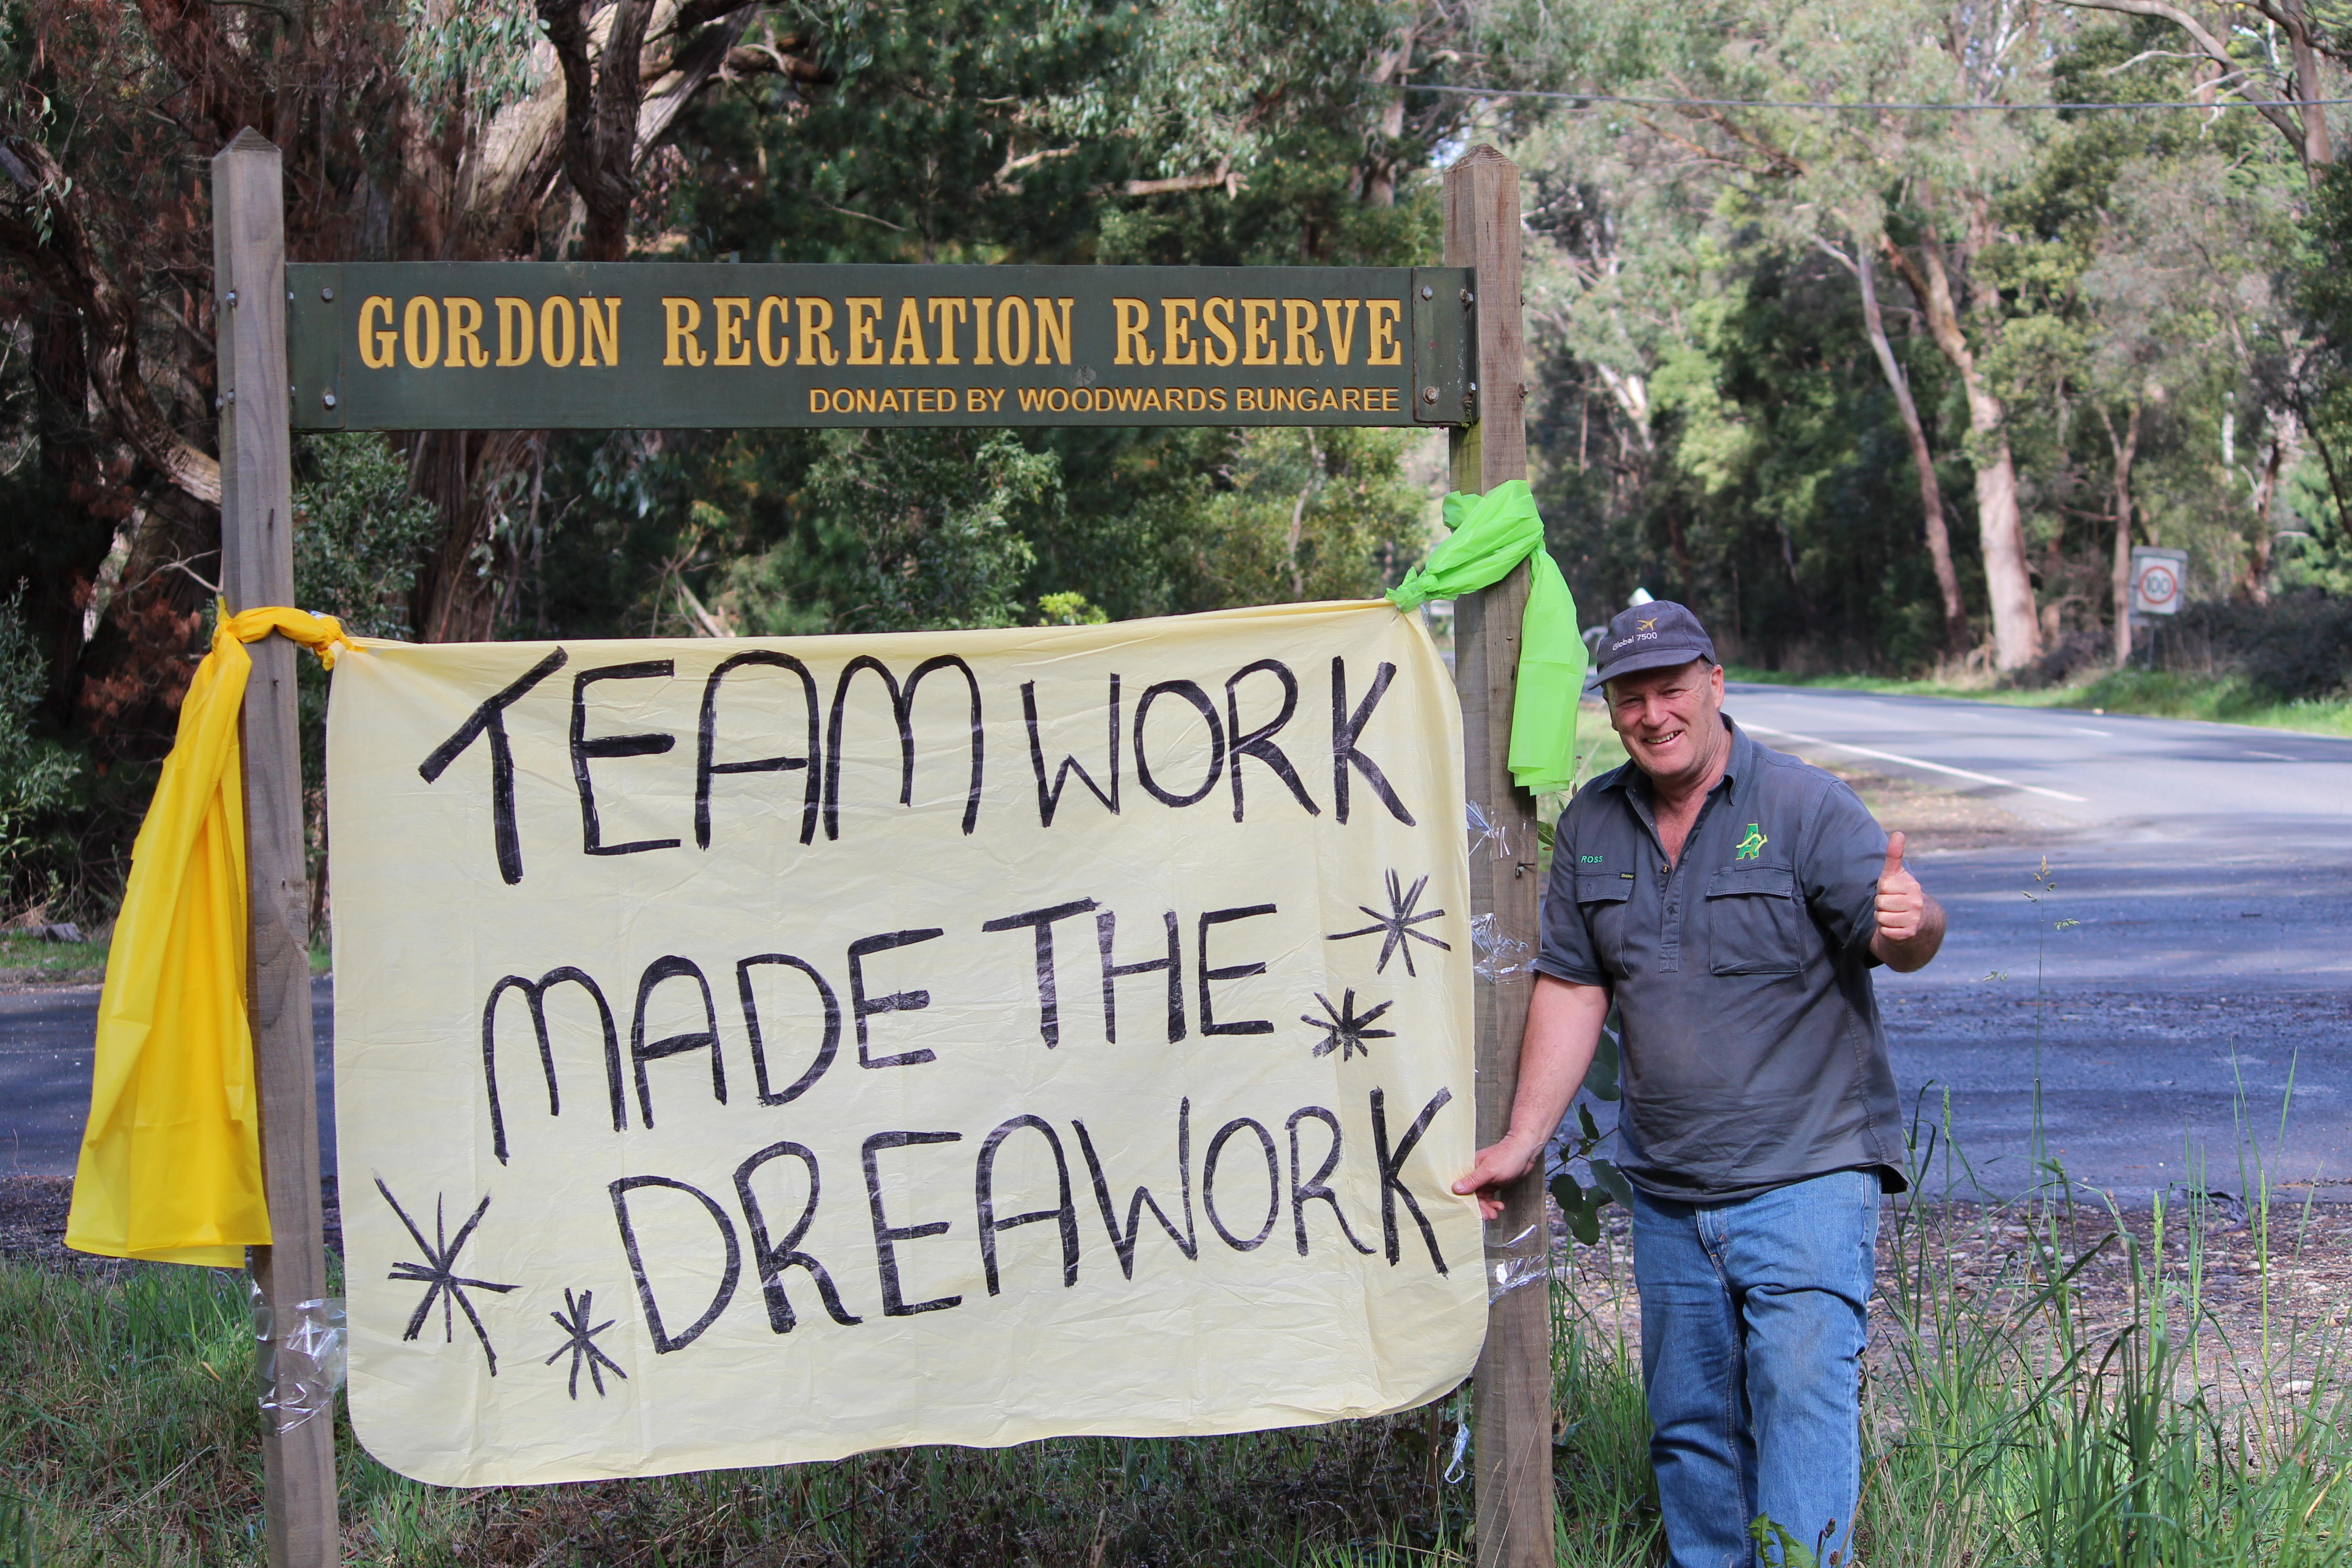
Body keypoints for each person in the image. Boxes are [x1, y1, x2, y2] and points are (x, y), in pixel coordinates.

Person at [1454, 601, 1945, 1568]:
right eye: (1629, 697)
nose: (1652, 714)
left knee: (1801, 1408)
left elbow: (1903, 937)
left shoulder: (1803, 807)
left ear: (1715, 684)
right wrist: (1523, 1138)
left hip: (1808, 1175)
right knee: (1688, 1427)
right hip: (1670, 1191)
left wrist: (1910, 921)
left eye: (1672, 689)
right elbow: (1573, 981)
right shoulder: (1594, 820)